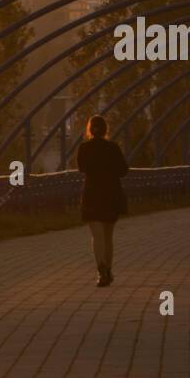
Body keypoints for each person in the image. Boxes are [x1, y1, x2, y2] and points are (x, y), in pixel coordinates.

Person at [76, 114, 128, 287]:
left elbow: (81, 168)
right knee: (108, 236)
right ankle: (109, 270)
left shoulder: (84, 148)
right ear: (106, 130)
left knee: (96, 236)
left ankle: (101, 271)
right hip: (111, 195)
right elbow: (123, 171)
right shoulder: (113, 148)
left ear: (89, 130)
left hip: (92, 195)